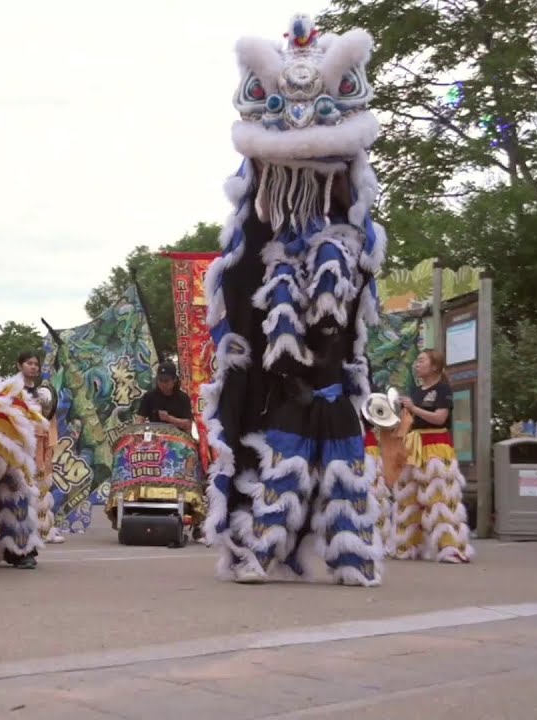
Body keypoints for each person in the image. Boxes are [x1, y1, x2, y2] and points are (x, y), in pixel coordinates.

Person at [199, 14, 387, 587]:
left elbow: (354, 297)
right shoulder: (263, 242)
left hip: (328, 373)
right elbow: (240, 267)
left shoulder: (348, 239)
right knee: (280, 434)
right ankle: (260, 546)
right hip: (283, 374)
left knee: (334, 436)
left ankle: (344, 553)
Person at [390, 349, 474, 564]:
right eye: (417, 360)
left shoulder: (443, 390)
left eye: (421, 360)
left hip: (436, 445)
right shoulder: (415, 391)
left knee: (440, 498)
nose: (417, 364)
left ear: (434, 366)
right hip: (413, 445)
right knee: (409, 497)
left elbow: (439, 419)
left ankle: (450, 547)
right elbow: (409, 421)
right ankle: (408, 546)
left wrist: (414, 408)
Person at [16, 351, 64, 544]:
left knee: (41, 484)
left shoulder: (41, 392)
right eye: (29, 363)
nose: (34, 367)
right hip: (19, 445)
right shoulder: (12, 389)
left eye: (36, 364)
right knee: (15, 487)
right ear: (19, 366)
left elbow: (48, 418)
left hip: (39, 443)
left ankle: (44, 530)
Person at [134, 362, 193, 433]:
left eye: (166, 381)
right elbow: (140, 419)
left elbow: (188, 425)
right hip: (155, 437)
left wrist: (169, 419)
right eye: (160, 380)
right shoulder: (149, 396)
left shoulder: (183, 398)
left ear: (174, 380)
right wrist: (137, 431)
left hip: (178, 438)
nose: (163, 384)